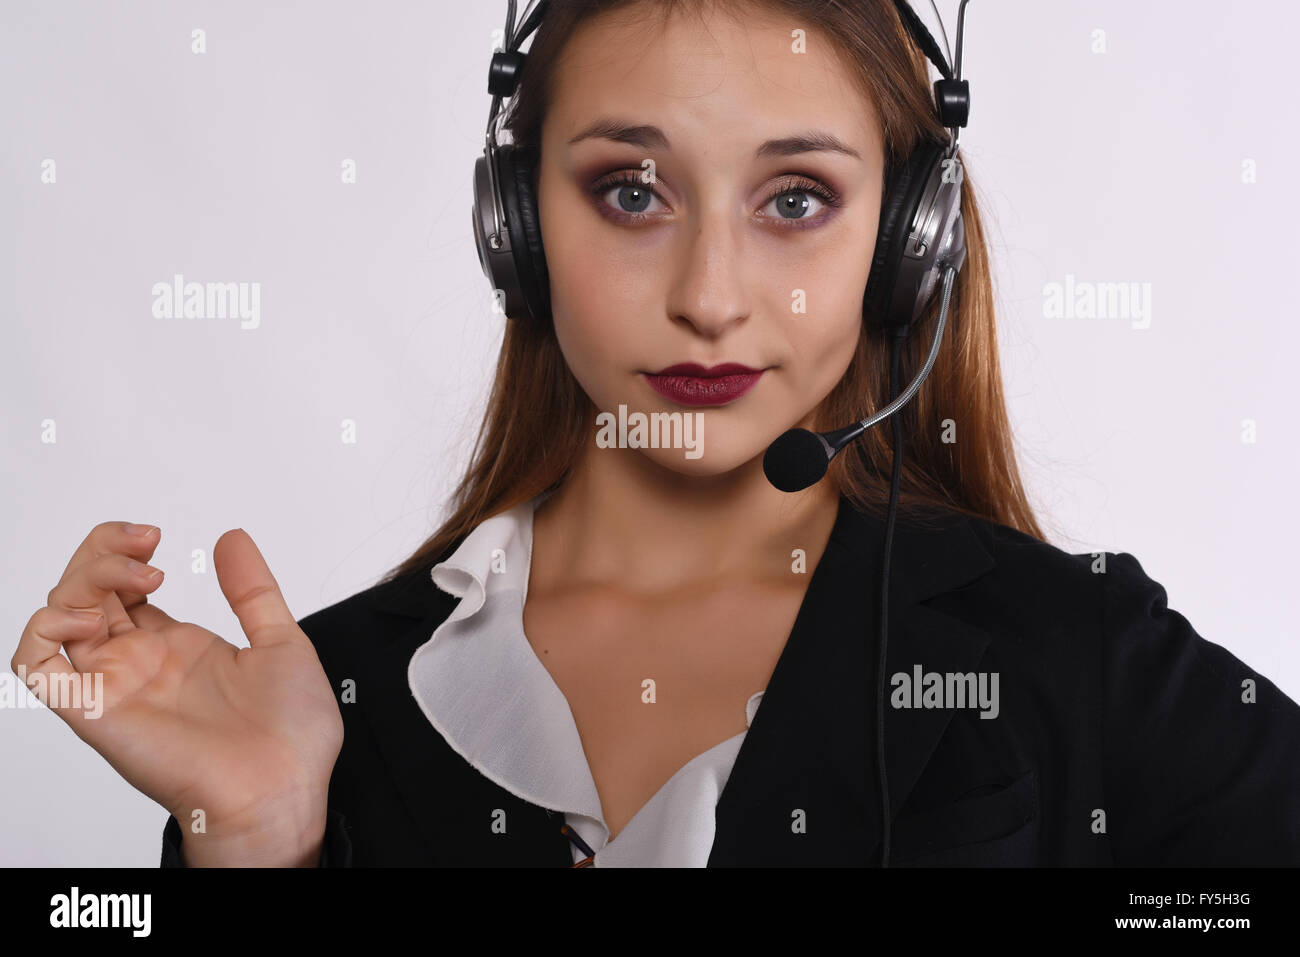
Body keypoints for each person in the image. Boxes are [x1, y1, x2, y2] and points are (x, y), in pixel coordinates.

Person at [13, 0, 1300, 868]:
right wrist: (258, 843)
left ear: (909, 246)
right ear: (512, 227)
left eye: (795, 198)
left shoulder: (1073, 652)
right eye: (631, 192)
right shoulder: (325, 703)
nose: (708, 295)